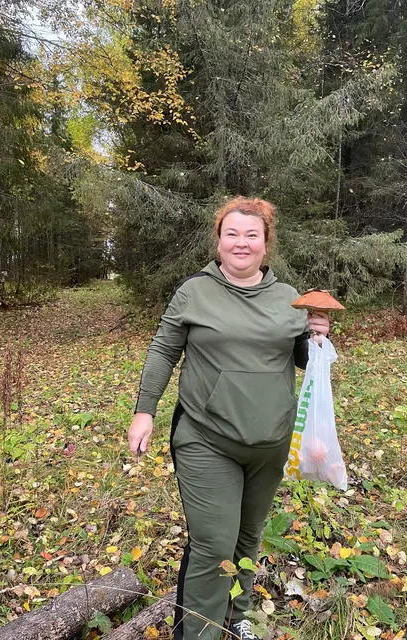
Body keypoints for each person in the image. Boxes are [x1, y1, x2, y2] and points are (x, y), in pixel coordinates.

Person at [128, 197, 329, 640]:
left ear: (265, 243)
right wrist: (145, 411)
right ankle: (198, 632)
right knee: (213, 545)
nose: (241, 242)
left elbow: (299, 358)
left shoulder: (289, 298)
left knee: (247, 538)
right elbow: (163, 350)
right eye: (232, 233)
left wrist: (316, 339)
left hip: (271, 443)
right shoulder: (194, 292)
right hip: (207, 438)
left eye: (251, 235)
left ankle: (237, 616)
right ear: (218, 241)